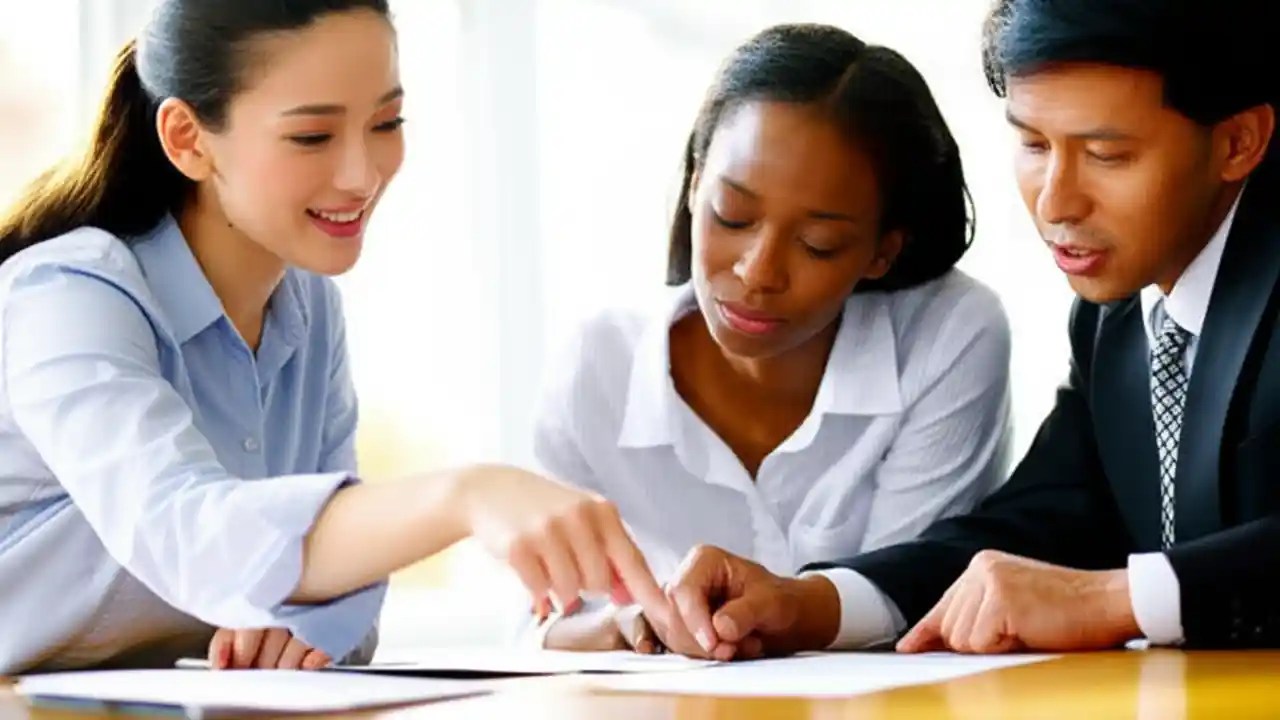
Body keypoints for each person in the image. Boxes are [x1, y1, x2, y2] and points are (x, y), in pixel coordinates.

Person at [0, 0, 667, 676]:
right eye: (313, 136)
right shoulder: (66, 295)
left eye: (386, 123)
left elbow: (346, 611)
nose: (362, 175)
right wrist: (469, 495)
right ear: (188, 139)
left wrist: (304, 627)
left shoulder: (309, 309)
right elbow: (185, 532)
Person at [650, 0, 1280, 661]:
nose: (1055, 201)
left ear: (1238, 142)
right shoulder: (1114, 317)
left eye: (1106, 154)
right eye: (1033, 145)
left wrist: (1115, 600)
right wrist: (806, 603)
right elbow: (1035, 526)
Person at [527, 23, 1012, 652]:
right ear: (695, 184)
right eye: (732, 216)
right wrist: (630, 626)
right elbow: (537, 625)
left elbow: (912, 595)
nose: (758, 273)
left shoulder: (946, 335)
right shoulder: (599, 365)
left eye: (818, 244)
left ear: (882, 252)